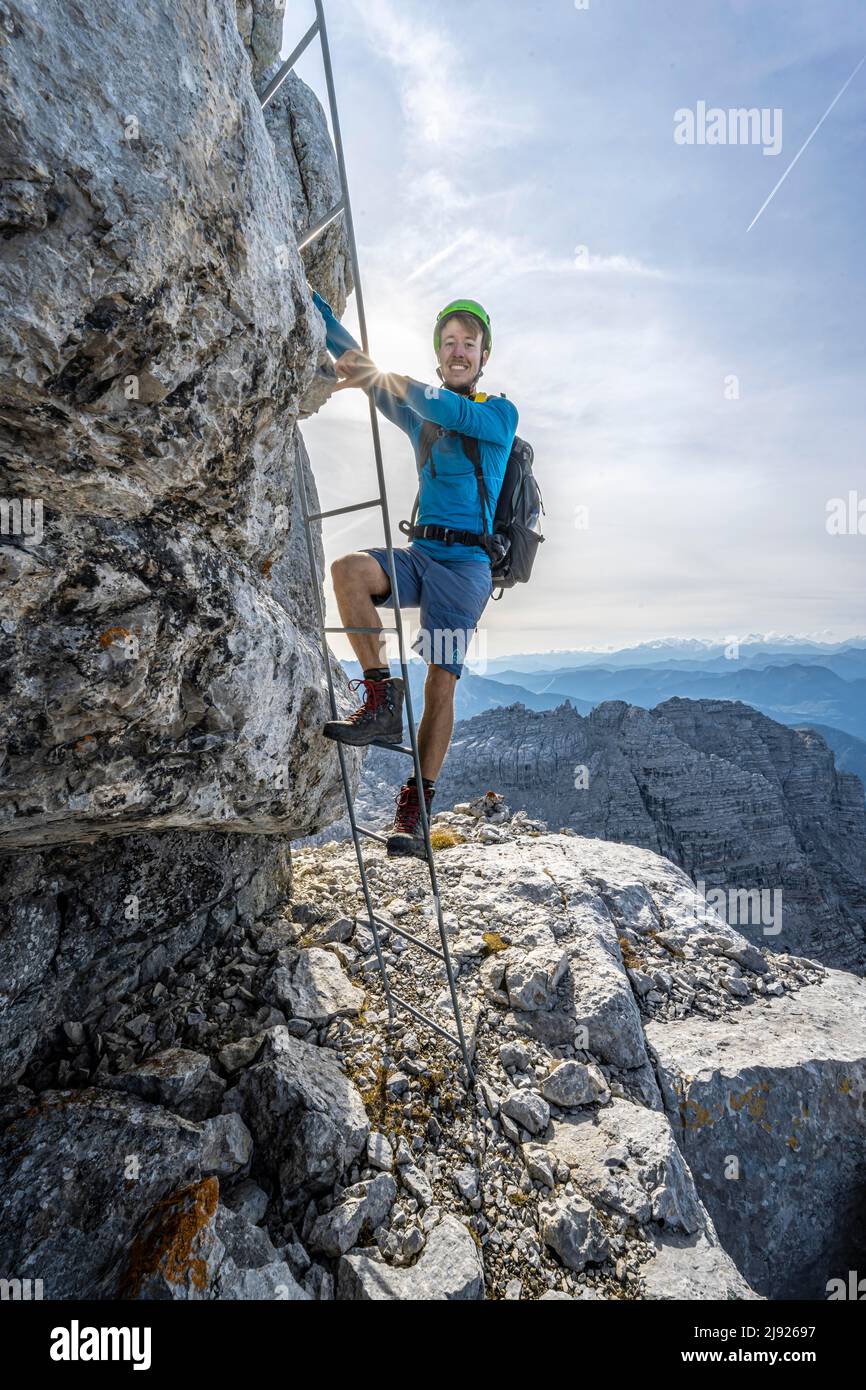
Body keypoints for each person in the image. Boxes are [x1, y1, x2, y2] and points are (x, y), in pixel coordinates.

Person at [309, 285, 518, 857]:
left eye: (469, 344)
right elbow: (358, 363)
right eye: (450, 342)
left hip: (466, 568)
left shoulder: (497, 414)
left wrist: (392, 381)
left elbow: (440, 404)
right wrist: (317, 309)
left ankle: (418, 809)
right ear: (439, 352)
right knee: (349, 571)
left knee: (440, 681)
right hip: (422, 554)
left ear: (483, 357)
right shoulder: (420, 412)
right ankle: (379, 700)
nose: (459, 351)